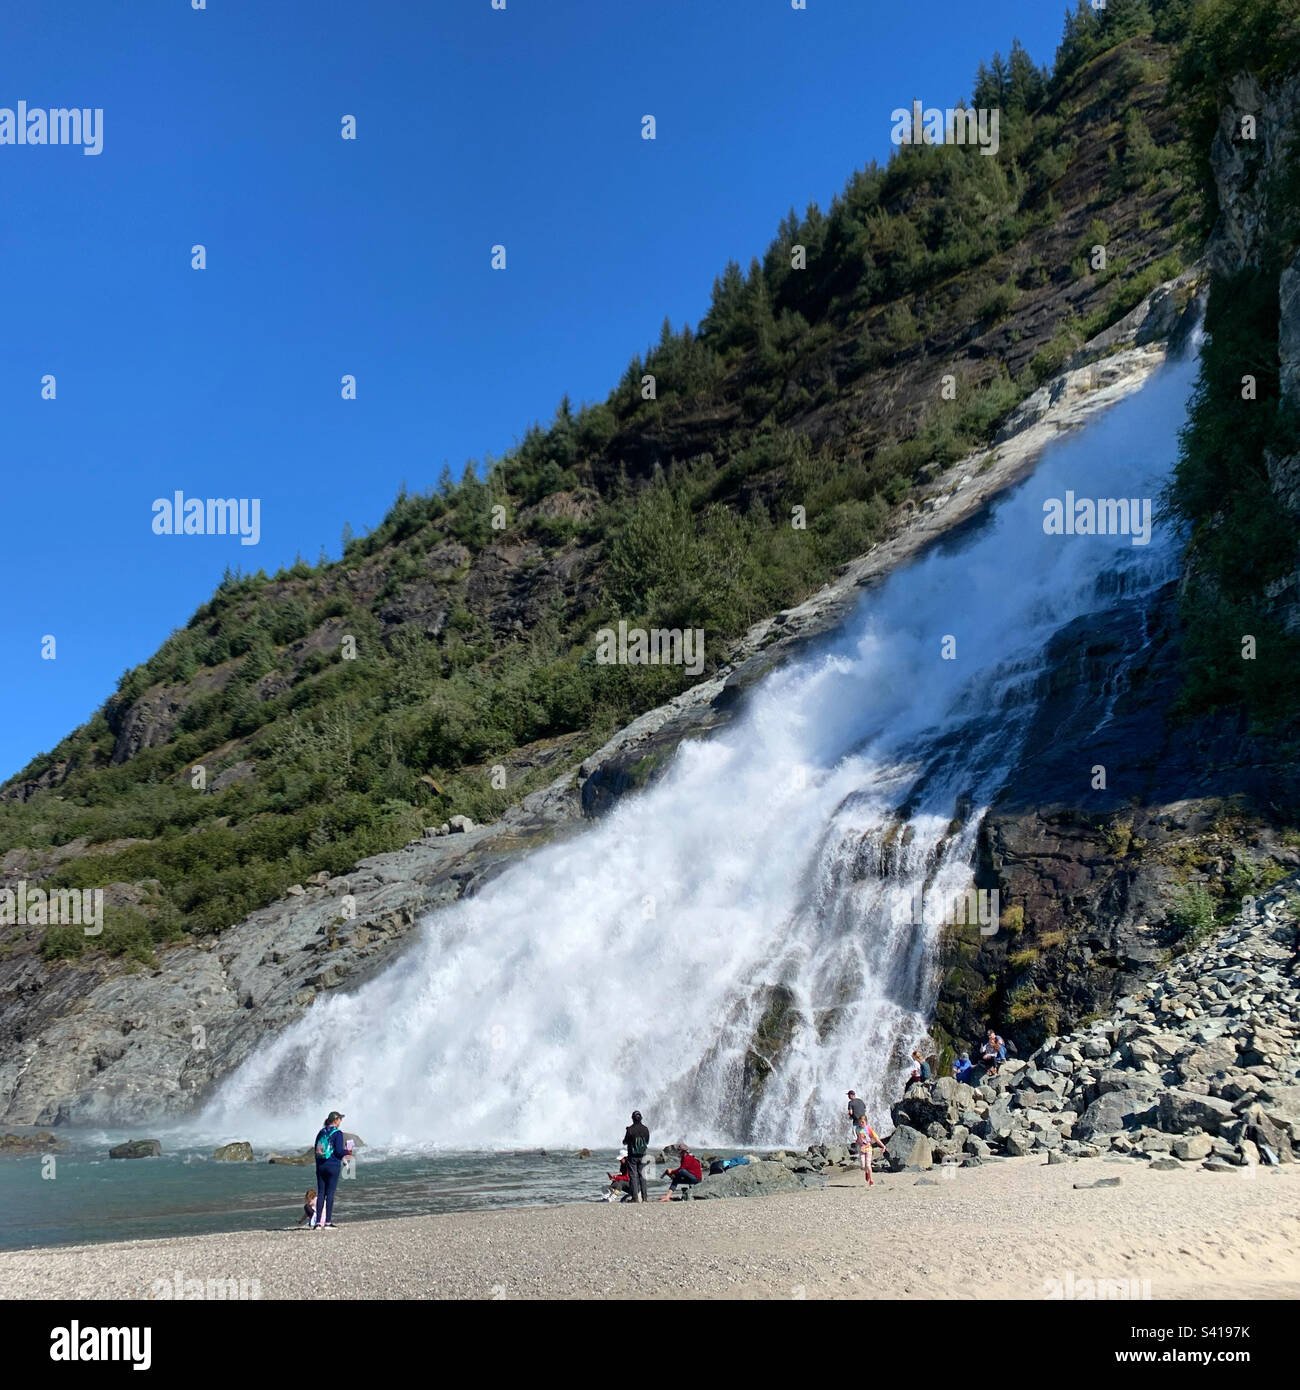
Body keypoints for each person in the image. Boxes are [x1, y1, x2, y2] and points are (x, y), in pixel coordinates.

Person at [312, 1110, 347, 1228]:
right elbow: (338, 1151)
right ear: (336, 1120)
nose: (341, 1121)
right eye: (340, 1119)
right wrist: (348, 1151)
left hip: (321, 1166)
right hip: (333, 1165)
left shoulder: (321, 1132)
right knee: (330, 1193)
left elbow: (316, 1150)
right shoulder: (338, 1133)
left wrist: (318, 1166)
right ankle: (327, 1222)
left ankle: (317, 1223)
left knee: (321, 1193)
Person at [622, 1110, 651, 1204]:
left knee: (633, 1176)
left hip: (632, 1156)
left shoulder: (630, 1129)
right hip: (643, 1155)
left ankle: (635, 1198)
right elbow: (647, 1141)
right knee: (643, 1176)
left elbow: (625, 1141)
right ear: (641, 1118)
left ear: (632, 1119)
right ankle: (645, 1198)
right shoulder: (646, 1129)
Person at [853, 1111, 887, 1186]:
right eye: (860, 1122)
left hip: (868, 1148)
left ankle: (871, 1181)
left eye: (862, 1122)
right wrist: (857, 1143)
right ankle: (866, 1172)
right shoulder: (857, 1129)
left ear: (866, 1122)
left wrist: (883, 1146)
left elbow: (876, 1138)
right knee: (862, 1165)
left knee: (868, 1165)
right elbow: (858, 1138)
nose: (861, 1124)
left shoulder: (869, 1129)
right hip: (861, 1148)